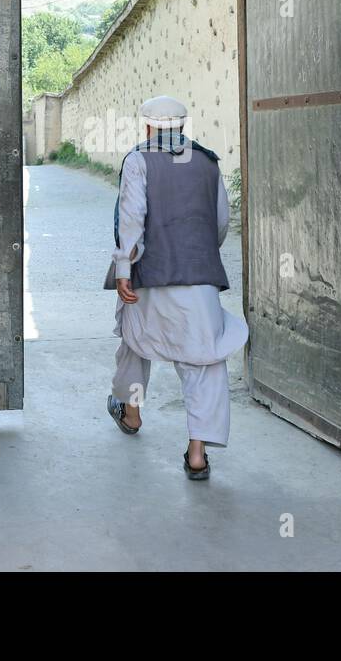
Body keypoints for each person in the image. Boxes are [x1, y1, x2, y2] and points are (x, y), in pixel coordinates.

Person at [105, 95, 248, 480]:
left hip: (151, 272)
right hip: (200, 276)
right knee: (205, 358)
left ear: (148, 127)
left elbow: (132, 217)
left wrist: (123, 268)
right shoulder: (208, 161)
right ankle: (197, 453)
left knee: (135, 340)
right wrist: (195, 252)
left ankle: (131, 412)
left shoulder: (138, 160)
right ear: (182, 126)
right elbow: (219, 222)